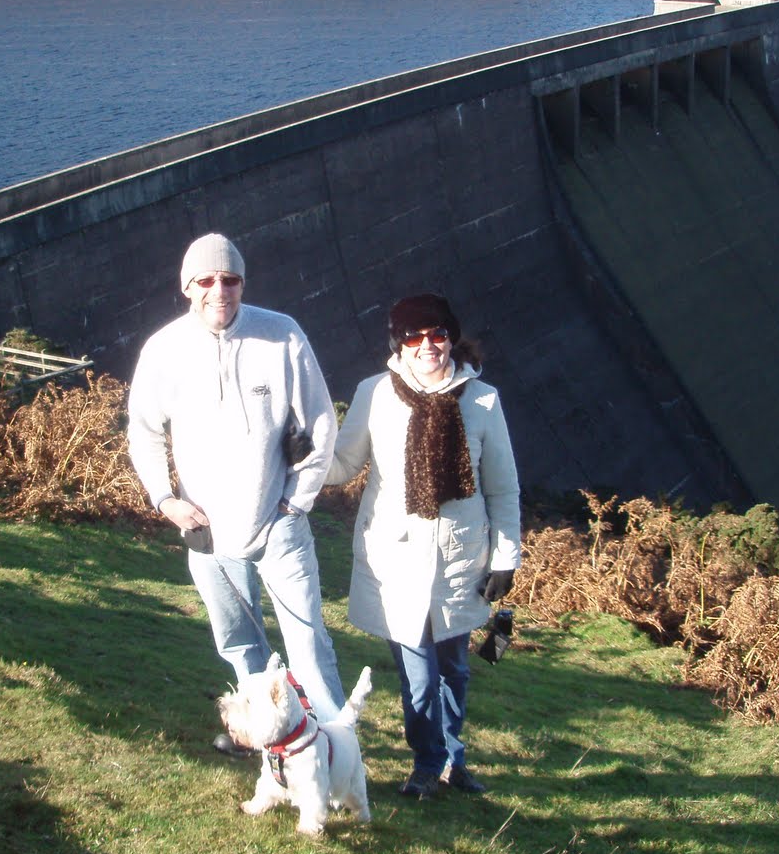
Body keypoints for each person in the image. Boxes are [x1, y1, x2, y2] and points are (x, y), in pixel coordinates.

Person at [127, 233, 348, 746]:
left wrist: (298, 500)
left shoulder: (282, 335)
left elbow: (319, 424)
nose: (219, 290)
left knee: (308, 643)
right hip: (206, 530)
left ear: (242, 282)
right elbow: (144, 429)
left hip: (278, 522)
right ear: (188, 287)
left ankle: (338, 744)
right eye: (206, 280)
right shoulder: (163, 350)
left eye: (229, 279)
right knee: (238, 642)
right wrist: (164, 498)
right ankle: (265, 739)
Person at [326, 293, 521, 798]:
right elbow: (344, 466)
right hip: (395, 559)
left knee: (453, 668)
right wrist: (301, 455)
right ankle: (426, 761)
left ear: (451, 338)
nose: (427, 345)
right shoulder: (374, 393)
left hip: (460, 561)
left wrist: (505, 559)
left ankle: (455, 759)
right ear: (399, 343)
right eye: (414, 336)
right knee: (417, 672)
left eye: (437, 334)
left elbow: (502, 487)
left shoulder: (482, 401)